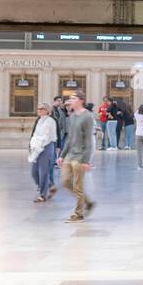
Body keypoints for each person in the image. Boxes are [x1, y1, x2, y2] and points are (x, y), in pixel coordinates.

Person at [58, 90, 97, 222]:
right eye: (70, 99)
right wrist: (61, 155)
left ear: (81, 100)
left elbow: (88, 140)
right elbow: (69, 138)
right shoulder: (73, 116)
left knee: (78, 186)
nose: (71, 101)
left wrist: (86, 160)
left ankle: (78, 213)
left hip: (81, 156)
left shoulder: (88, 117)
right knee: (65, 181)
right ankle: (88, 202)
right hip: (70, 154)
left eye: (73, 98)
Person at [27, 102, 59, 202]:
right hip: (37, 147)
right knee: (34, 172)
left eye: (42, 109)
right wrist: (33, 145)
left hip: (47, 147)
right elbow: (35, 134)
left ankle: (42, 194)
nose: (39, 110)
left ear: (47, 111)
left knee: (43, 172)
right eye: (38, 109)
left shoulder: (50, 121)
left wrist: (38, 143)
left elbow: (46, 136)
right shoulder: (39, 121)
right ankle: (49, 185)